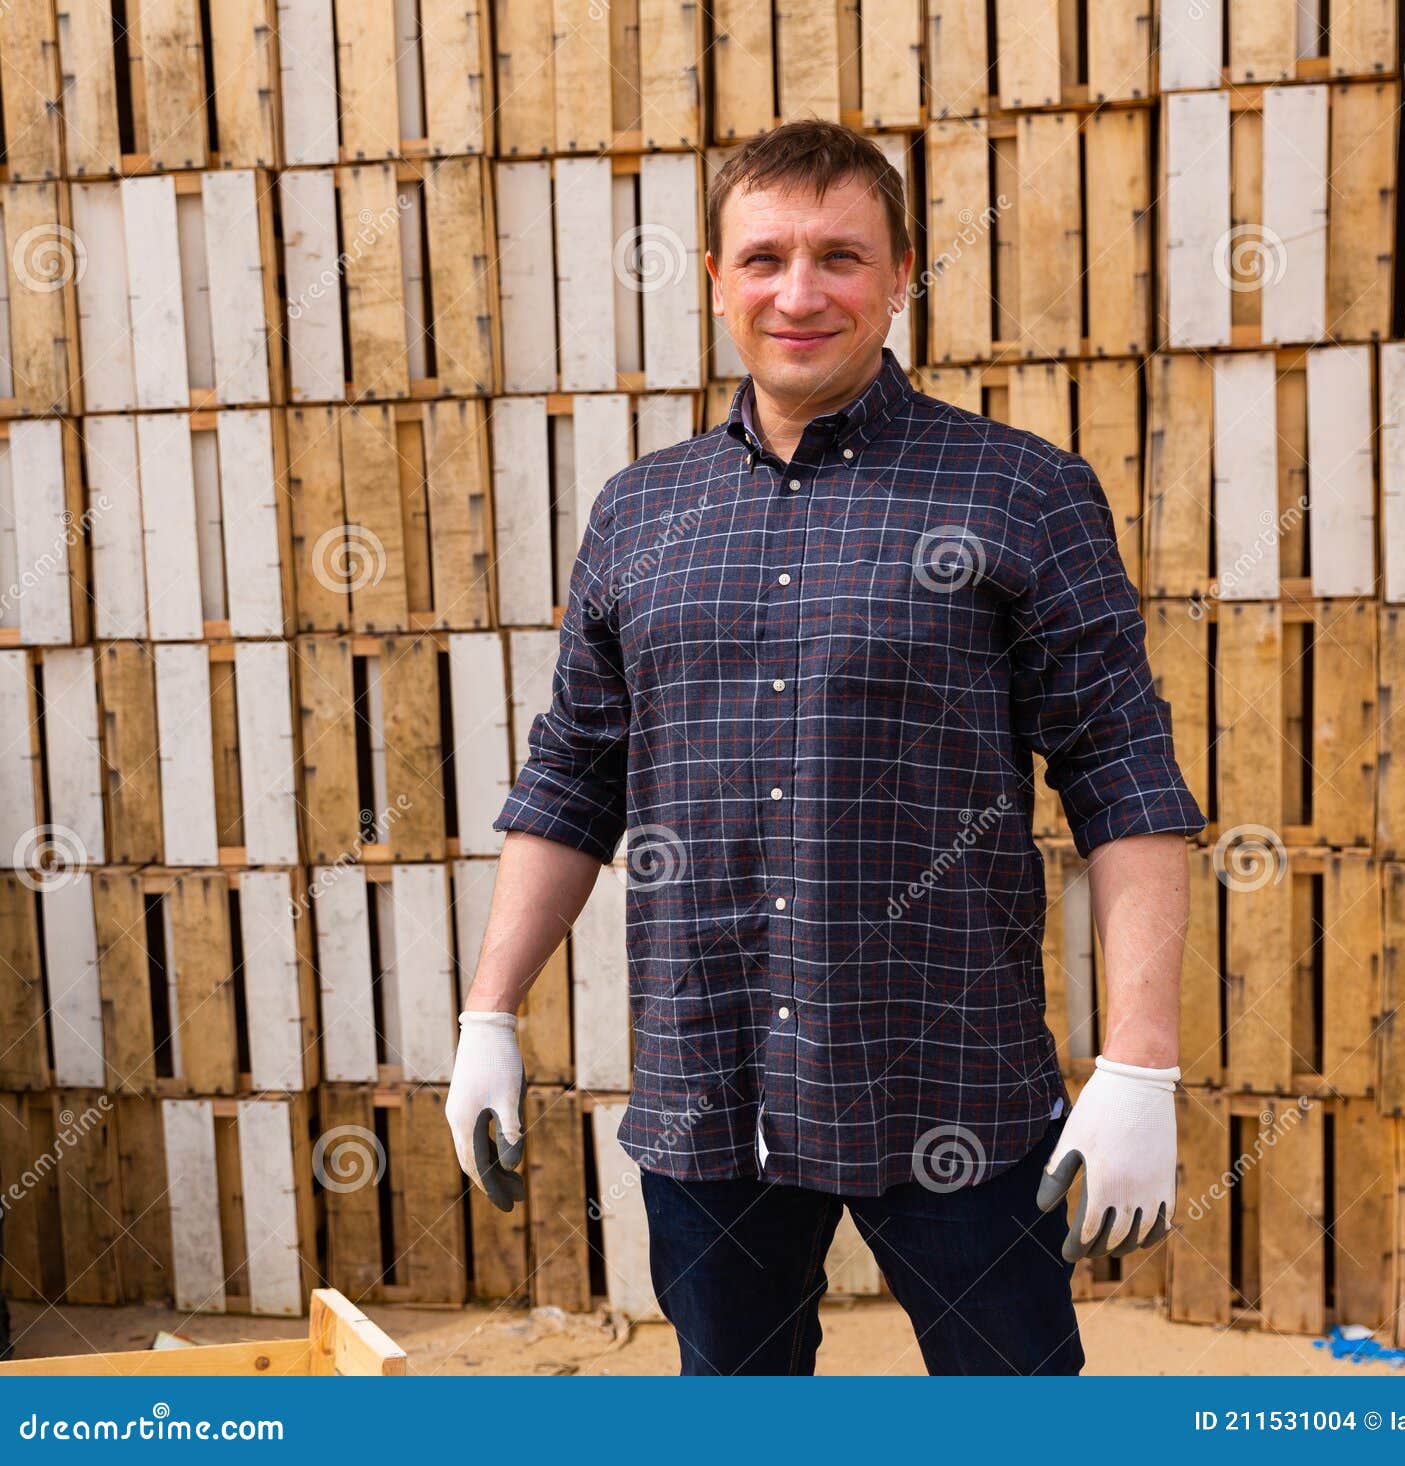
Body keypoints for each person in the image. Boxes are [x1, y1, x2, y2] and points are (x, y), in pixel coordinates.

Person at [446, 118, 1206, 1375]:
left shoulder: (1020, 491)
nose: (799, 293)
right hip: (709, 1093)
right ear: (713, 279)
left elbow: (1123, 773)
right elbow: (572, 774)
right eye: (763, 259)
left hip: (951, 1090)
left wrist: (1142, 1062)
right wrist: (489, 1013)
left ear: (902, 275)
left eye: (840, 257)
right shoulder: (641, 511)